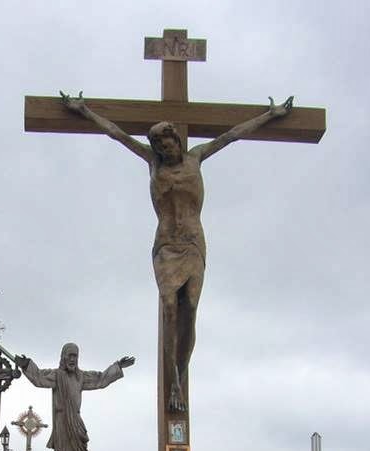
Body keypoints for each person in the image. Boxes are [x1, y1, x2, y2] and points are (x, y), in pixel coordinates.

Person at [60, 92, 293, 412]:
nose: (165, 150)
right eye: (159, 147)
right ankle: (174, 383)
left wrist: (270, 116)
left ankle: (180, 378)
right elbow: (116, 133)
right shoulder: (151, 162)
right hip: (166, 245)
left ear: (177, 141)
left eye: (168, 145)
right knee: (170, 307)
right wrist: (84, 110)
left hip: (194, 242)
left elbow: (231, 135)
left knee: (191, 307)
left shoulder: (196, 156)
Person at [15, 344, 134, 451]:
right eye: (70, 355)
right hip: (63, 425)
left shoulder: (80, 377)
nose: (72, 359)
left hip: (76, 425)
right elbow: (39, 378)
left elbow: (100, 379)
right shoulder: (57, 375)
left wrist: (117, 367)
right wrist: (26, 365)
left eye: (75, 356)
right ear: (63, 356)